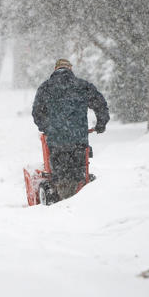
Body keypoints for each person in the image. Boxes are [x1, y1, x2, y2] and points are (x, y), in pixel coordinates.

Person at [32, 58, 109, 201]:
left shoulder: (46, 88)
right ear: (70, 69)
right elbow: (100, 104)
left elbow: (37, 113)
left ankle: (59, 199)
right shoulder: (82, 86)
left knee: (60, 174)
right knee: (79, 173)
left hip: (56, 142)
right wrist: (101, 124)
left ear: (55, 69)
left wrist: (48, 128)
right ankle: (80, 198)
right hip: (79, 141)